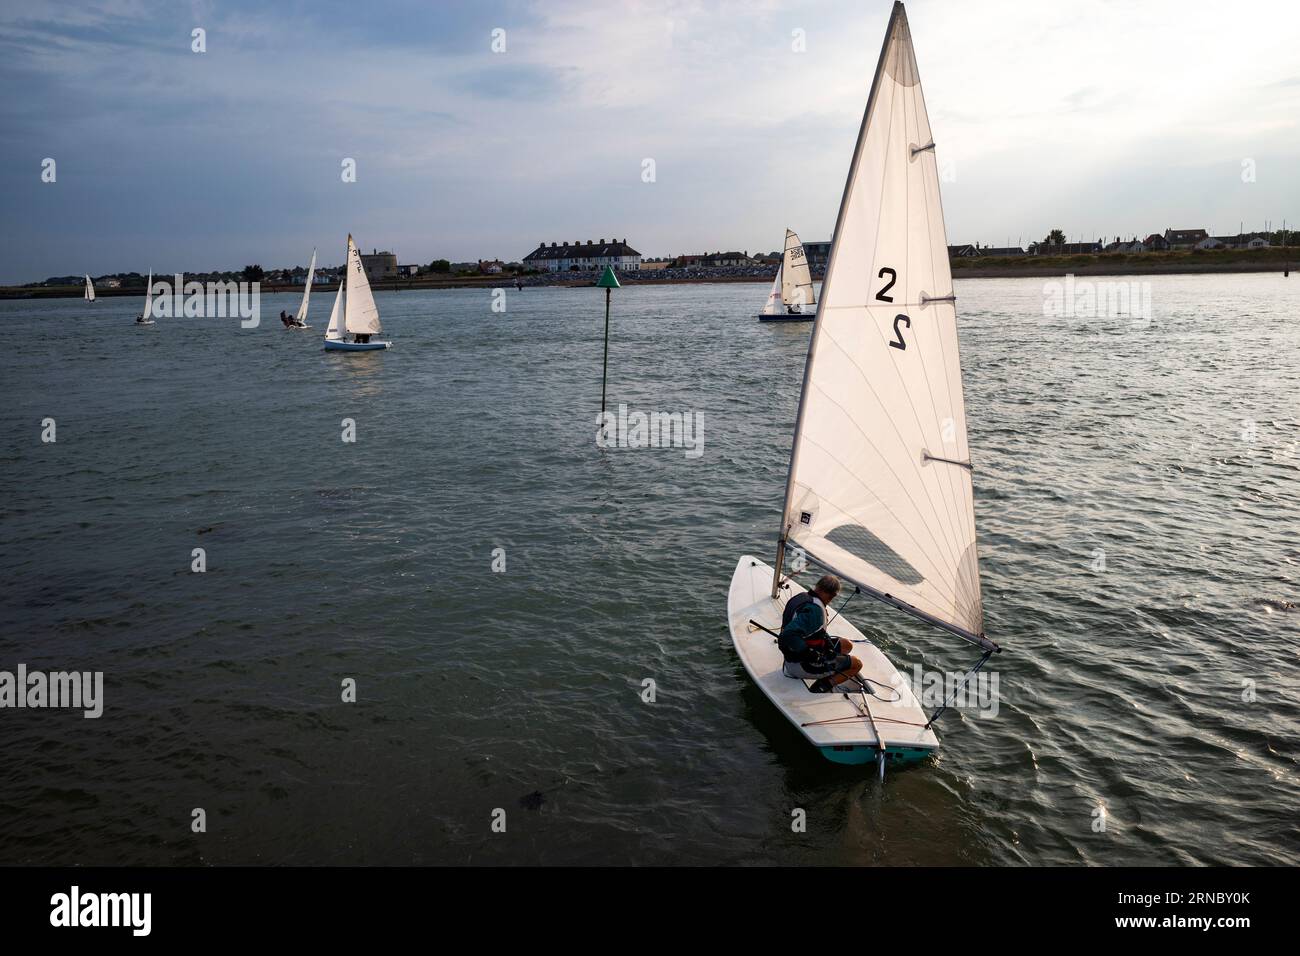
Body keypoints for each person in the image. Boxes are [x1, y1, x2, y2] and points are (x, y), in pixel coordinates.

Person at [777, 574, 863, 693]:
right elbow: (788, 635)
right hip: (801, 664)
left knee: (847, 645)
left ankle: (826, 670)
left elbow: (814, 631)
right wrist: (808, 652)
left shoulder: (802, 597)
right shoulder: (815, 611)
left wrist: (828, 646)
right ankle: (823, 685)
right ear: (833, 595)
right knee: (857, 664)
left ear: (818, 585)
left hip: (796, 654)